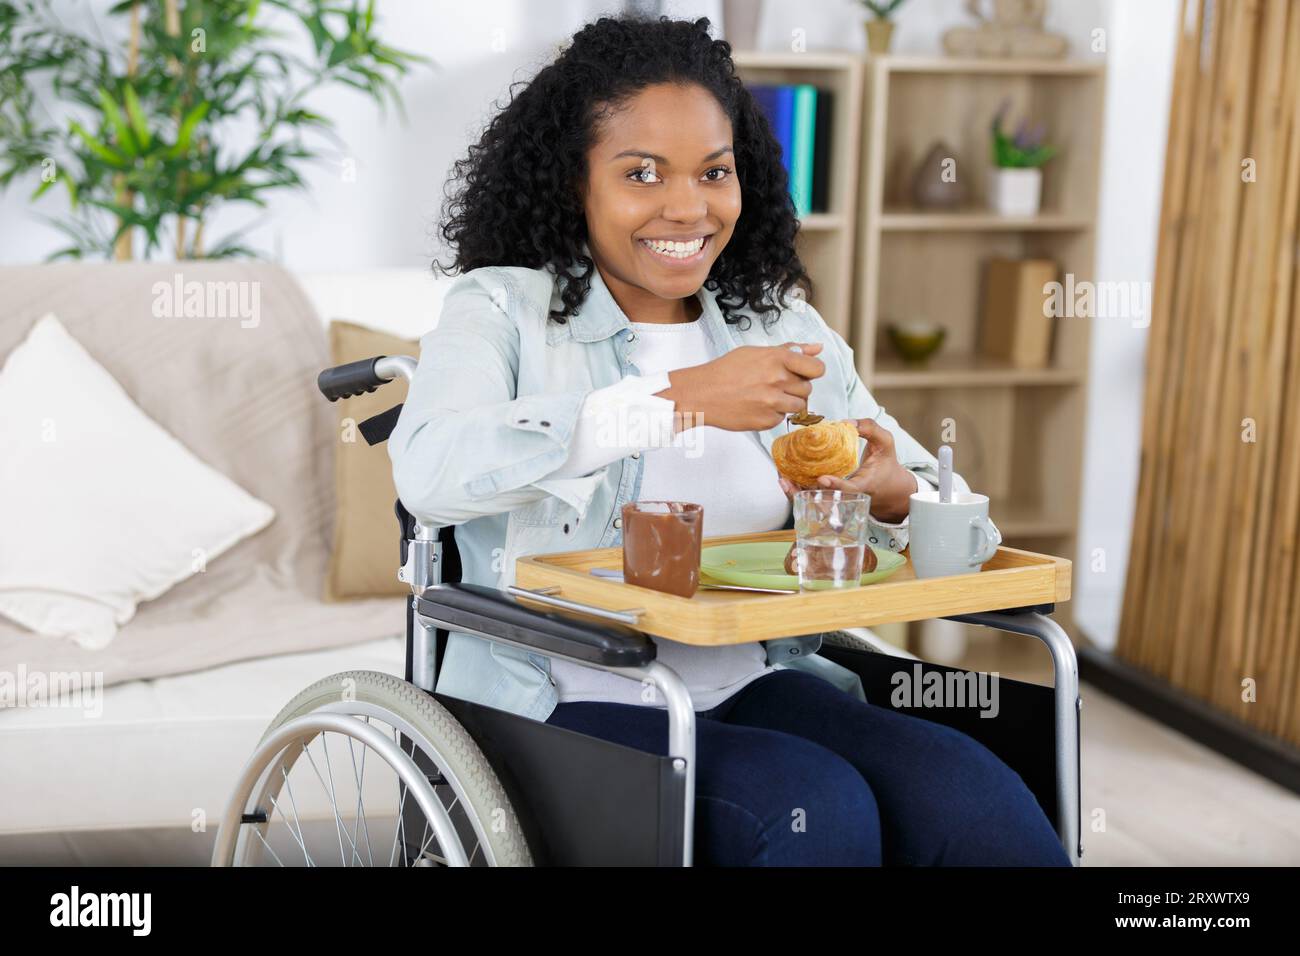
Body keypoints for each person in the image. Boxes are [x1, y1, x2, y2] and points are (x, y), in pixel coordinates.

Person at [390, 14, 1069, 867]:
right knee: (813, 810)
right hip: (563, 696)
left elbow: (957, 519)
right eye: (642, 173)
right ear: (575, 183)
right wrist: (679, 400)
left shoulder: (775, 324)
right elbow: (430, 471)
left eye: (715, 172)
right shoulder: (501, 311)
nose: (688, 207)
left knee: (975, 795)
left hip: (756, 678)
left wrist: (900, 492)